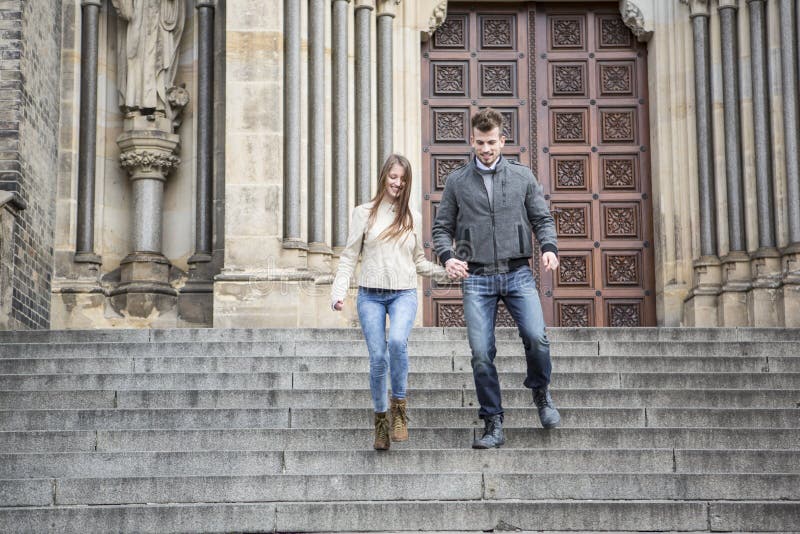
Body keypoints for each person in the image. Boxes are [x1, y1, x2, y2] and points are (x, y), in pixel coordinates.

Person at [432, 107, 561, 449]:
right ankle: (493, 421)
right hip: (476, 278)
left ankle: (541, 392)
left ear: (503, 140)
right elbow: (441, 229)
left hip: (517, 273)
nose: (485, 149)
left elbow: (542, 218)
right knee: (481, 352)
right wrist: (447, 257)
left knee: (537, 337)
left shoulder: (522, 176)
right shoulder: (457, 181)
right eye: (479, 142)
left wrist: (549, 247)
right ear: (471, 141)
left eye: (491, 142)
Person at [332, 153, 453, 450]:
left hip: (403, 293)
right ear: (384, 176)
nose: (397, 183)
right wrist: (337, 291)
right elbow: (349, 256)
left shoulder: (413, 217)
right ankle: (381, 422)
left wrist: (449, 273)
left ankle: (399, 407)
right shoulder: (363, 213)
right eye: (393, 176)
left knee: (397, 342)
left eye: (403, 178)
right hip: (370, 295)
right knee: (377, 358)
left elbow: (419, 263)